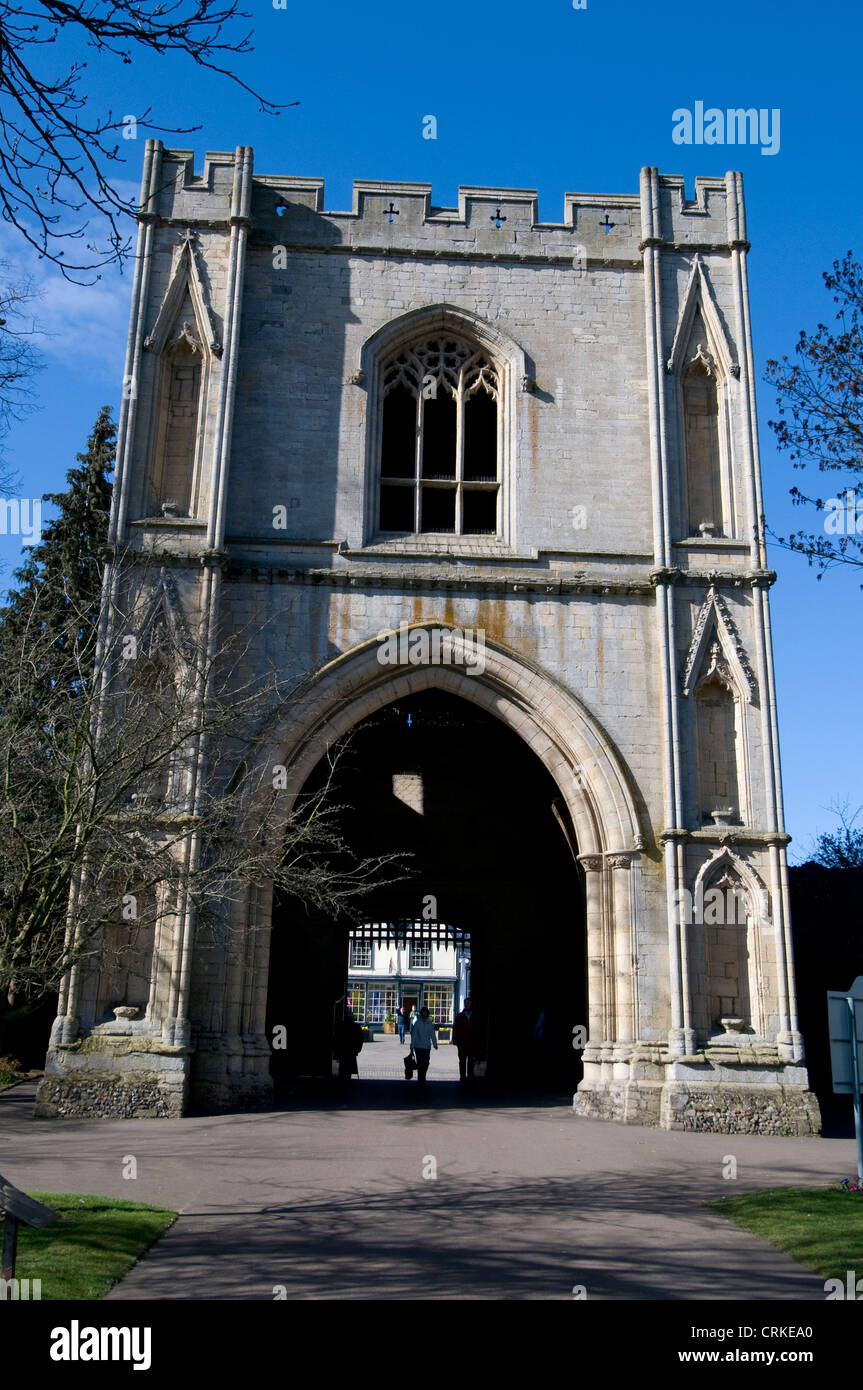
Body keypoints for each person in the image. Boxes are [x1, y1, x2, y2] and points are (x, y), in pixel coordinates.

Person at [334, 1008, 364, 1094]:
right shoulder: (356, 1026)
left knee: (343, 1065)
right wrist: (358, 1049)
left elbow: (336, 1038)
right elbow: (360, 1039)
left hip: (343, 1049)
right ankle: (346, 1080)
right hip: (351, 1050)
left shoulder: (341, 1026)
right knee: (348, 1065)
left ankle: (342, 1081)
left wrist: (336, 1049)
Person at [409, 1005, 438, 1085]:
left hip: (426, 1046)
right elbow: (414, 1035)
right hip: (418, 1046)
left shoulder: (429, 1024)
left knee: (426, 1063)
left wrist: (435, 1044)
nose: (425, 1015)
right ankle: (420, 1077)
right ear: (421, 1014)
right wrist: (412, 1045)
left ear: (427, 1014)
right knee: (420, 1062)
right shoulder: (417, 1023)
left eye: (426, 1014)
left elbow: (432, 1034)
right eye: (423, 1014)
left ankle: (423, 1075)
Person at [453, 996, 476, 1084]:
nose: (467, 1005)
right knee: (462, 1061)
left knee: (471, 1061)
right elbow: (455, 1028)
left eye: (469, 1003)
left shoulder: (474, 1016)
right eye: (466, 1003)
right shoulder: (459, 1016)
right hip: (462, 1042)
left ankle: (470, 1076)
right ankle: (462, 1076)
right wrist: (454, 1038)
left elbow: (478, 1029)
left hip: (472, 1041)